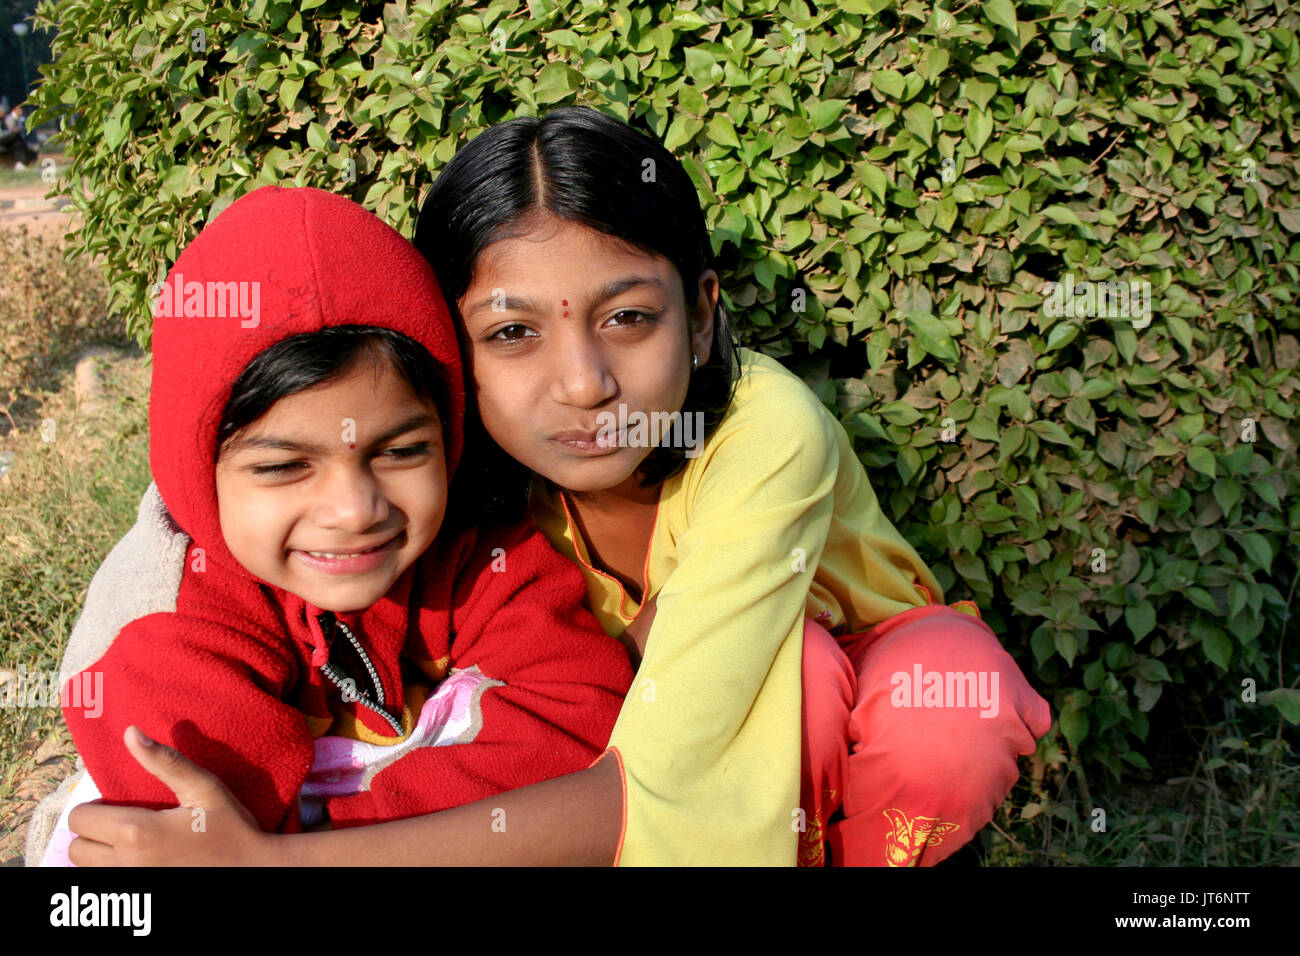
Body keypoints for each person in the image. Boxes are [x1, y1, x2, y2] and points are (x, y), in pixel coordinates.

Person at [63, 107, 1051, 867]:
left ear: (702, 316)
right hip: (641, 734)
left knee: (870, 695)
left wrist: (284, 861)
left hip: (820, 674)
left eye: (628, 318)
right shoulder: (441, 471)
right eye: (513, 331)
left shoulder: (764, 433)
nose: (584, 382)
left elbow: (652, 773)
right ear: (452, 347)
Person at [27, 184, 632, 866]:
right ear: (196, 468)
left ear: (447, 433)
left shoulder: (475, 553)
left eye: (401, 452)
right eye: (286, 467)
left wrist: (322, 846)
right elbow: (186, 845)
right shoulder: (160, 637)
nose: (354, 510)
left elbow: (581, 717)